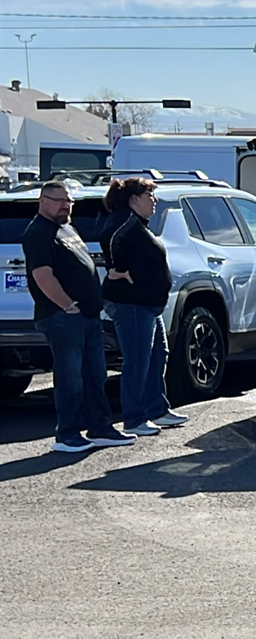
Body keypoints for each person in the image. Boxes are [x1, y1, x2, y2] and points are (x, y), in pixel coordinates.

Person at [23, 181, 135, 452]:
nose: (66, 205)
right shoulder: (38, 232)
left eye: (69, 200)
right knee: (70, 377)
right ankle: (68, 434)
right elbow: (42, 275)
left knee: (95, 374)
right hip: (62, 317)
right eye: (59, 200)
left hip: (87, 316)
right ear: (43, 201)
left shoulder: (67, 228)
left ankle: (100, 428)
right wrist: (67, 305)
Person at [102, 177, 187, 436]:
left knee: (158, 355)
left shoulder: (138, 223)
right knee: (137, 360)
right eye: (150, 196)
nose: (155, 201)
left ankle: (156, 409)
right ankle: (134, 418)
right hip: (132, 304)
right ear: (134, 198)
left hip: (149, 305)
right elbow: (110, 239)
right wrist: (117, 268)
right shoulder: (123, 221)